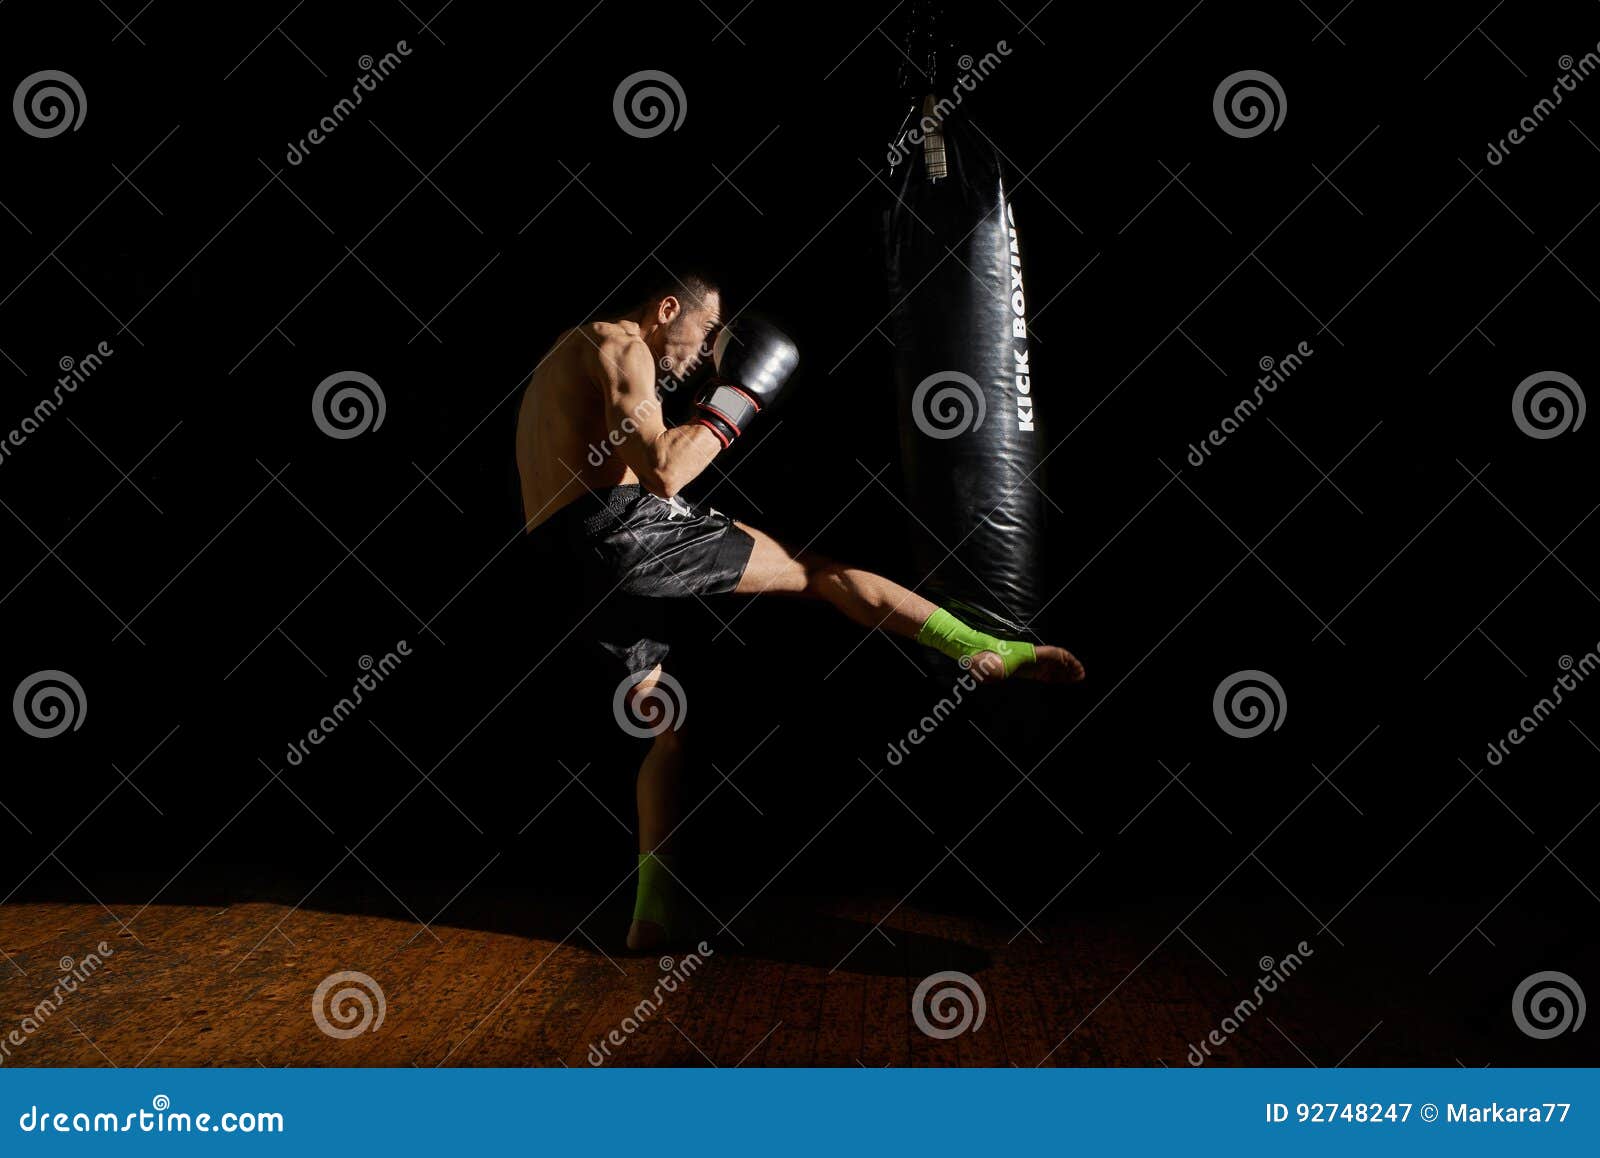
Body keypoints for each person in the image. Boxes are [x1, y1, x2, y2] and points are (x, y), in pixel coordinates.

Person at [514, 273, 1084, 950]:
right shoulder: (623, 343)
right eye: (704, 335)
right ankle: (981, 647)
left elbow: (598, 476)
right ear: (668, 309)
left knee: (668, 732)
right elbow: (665, 470)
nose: (703, 358)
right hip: (624, 533)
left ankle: (651, 917)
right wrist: (741, 393)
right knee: (818, 574)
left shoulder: (562, 354)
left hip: (557, 564)